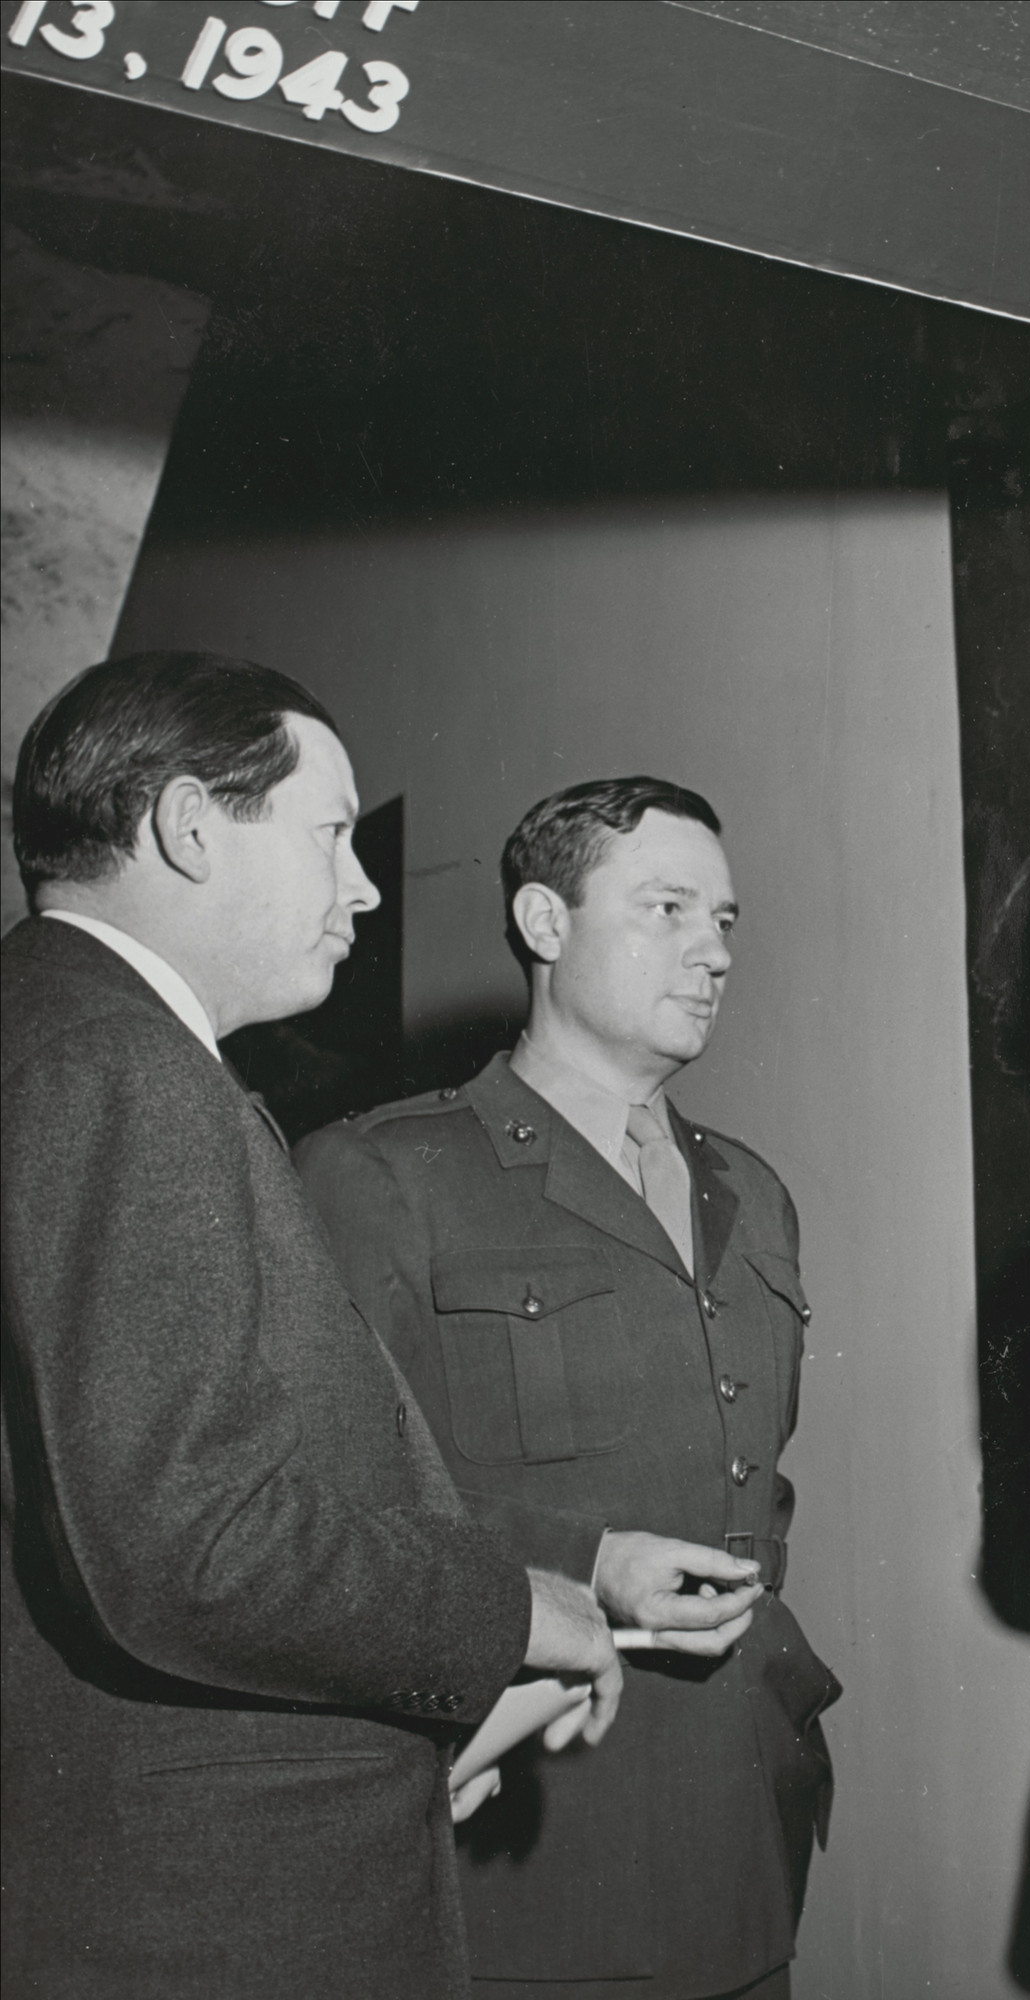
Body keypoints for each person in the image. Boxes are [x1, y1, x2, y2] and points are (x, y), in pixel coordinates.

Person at [1, 653, 622, 1999]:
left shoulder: (50, 1040)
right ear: (185, 826)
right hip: (220, 1912)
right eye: (331, 834)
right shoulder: (128, 1071)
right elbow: (192, 1540)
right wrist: (514, 1613)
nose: (366, 887)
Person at [297, 776, 837, 2000]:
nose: (711, 949)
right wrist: (582, 1558)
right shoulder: (386, 1173)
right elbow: (331, 1503)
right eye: (666, 907)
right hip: (530, 1827)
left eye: (726, 920)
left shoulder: (751, 1189)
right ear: (544, 923)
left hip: (743, 1822)